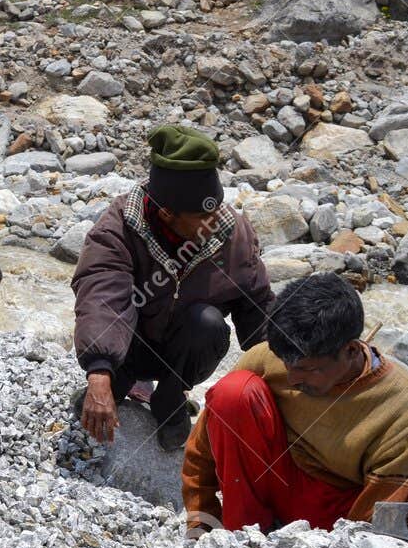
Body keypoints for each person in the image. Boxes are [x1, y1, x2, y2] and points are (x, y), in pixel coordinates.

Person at [181, 273, 408, 537]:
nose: (292, 378)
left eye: (307, 369)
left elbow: (384, 504)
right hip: (274, 485)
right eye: (287, 365)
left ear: (350, 351)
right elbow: (203, 448)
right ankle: (245, 534)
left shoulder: (403, 404)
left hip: (348, 511)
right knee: (233, 391)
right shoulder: (269, 357)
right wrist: (201, 522)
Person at [72, 124, 274, 450]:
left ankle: (169, 397)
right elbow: (102, 296)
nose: (213, 221)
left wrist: (284, 369)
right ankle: (117, 382)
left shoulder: (232, 233)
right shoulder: (119, 227)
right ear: (166, 214)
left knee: (207, 323)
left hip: (182, 356)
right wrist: (99, 372)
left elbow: (259, 308)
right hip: (129, 348)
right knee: (106, 382)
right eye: (201, 216)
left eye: (215, 209)